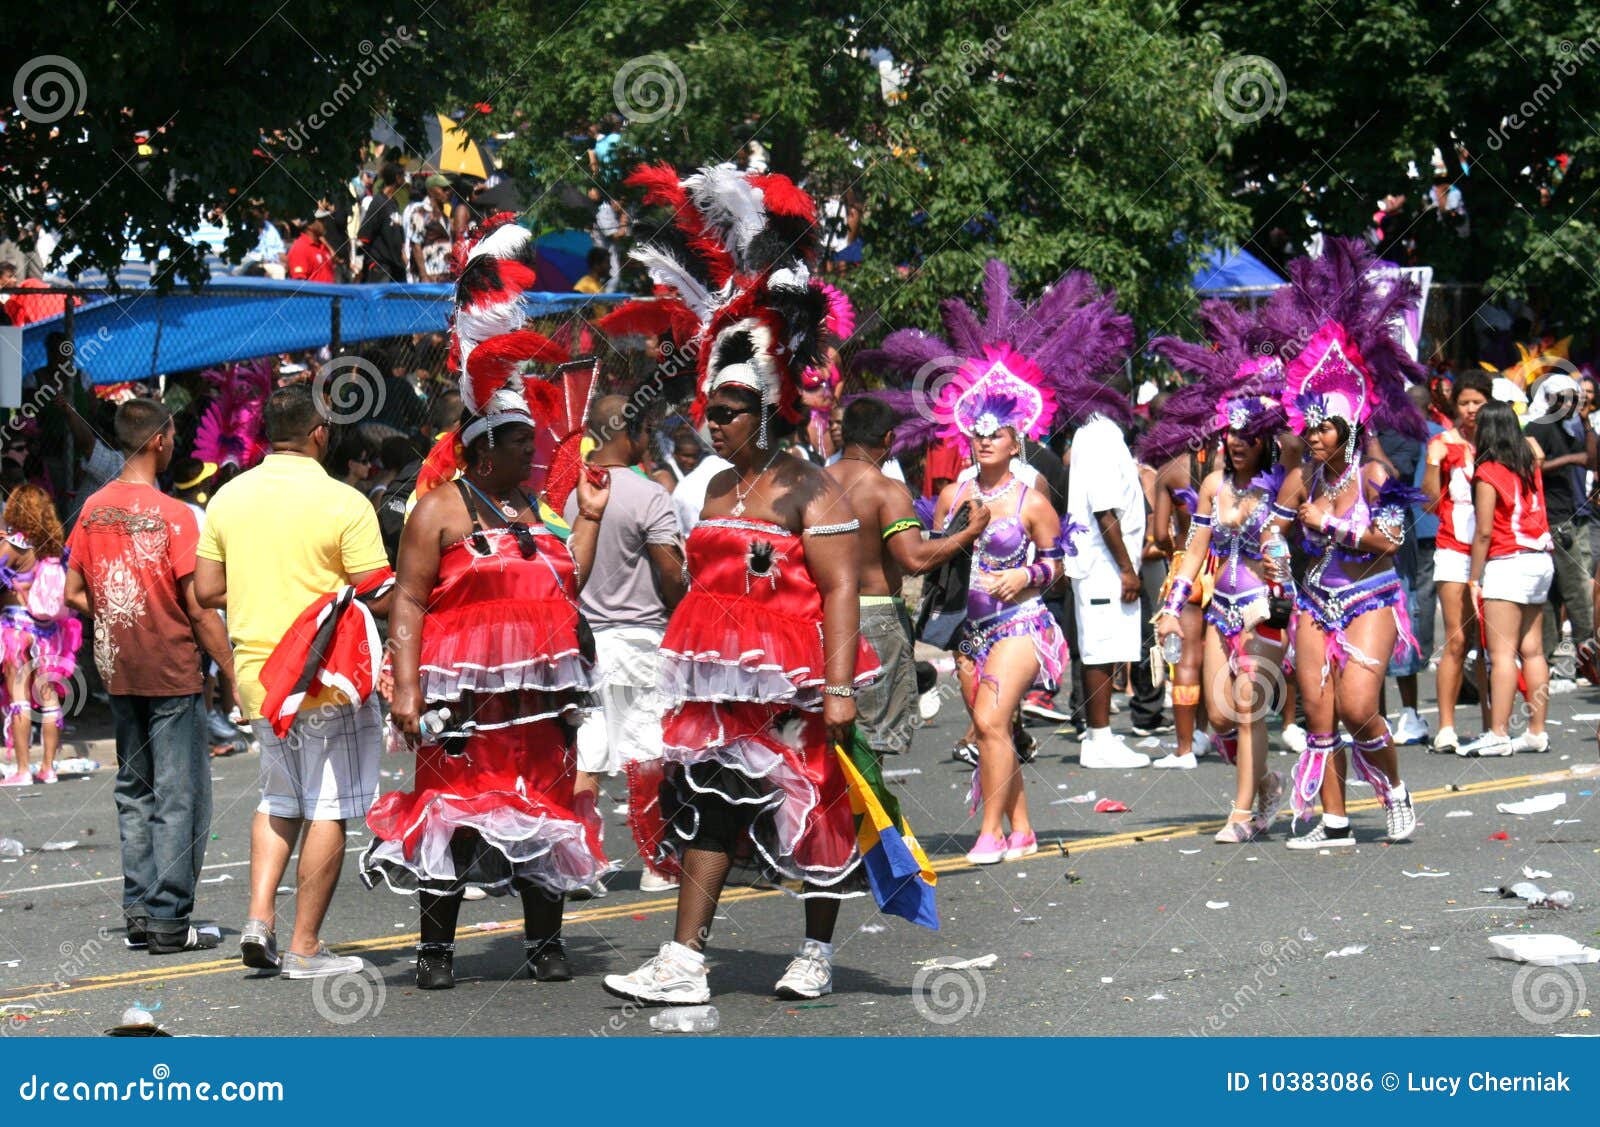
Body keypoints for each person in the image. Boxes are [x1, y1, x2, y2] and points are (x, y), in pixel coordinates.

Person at [604, 162, 872, 1004]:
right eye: (707, 410)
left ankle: (817, 953)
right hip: (718, 688)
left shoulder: (811, 488)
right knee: (711, 809)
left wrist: (835, 689)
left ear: (767, 407)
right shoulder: (712, 488)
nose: (709, 422)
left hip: (793, 685)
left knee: (815, 808)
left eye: (726, 411)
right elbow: (693, 580)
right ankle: (685, 963)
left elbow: (839, 591)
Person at [363, 269, 614, 986]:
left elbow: (570, 583)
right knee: (454, 809)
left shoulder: (541, 508)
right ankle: (436, 951)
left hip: (538, 696)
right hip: (460, 699)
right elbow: (408, 601)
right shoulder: (439, 508)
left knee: (540, 807)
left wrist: (588, 520)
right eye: (519, 441)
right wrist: (405, 690)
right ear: (485, 446)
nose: (531, 452)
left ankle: (545, 944)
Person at [193, 383, 393, 979]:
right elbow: (377, 590)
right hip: (326, 677)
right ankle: (304, 947)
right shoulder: (343, 501)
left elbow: (205, 592)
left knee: (279, 799)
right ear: (320, 432)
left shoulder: (228, 497)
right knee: (328, 806)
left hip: (259, 676)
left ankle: (260, 921)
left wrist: (260, 587)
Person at [1266, 237, 1427, 850]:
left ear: (1350, 427)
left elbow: (1389, 540)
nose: (1314, 434)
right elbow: (1270, 533)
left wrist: (1327, 525)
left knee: (1360, 707)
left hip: (1370, 599)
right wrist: (1276, 562)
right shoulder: (1300, 476)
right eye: (1310, 424)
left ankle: (1394, 791)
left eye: (1326, 425)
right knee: (1320, 714)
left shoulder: (1373, 476)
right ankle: (1333, 822)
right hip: (1315, 602)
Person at [63, 399, 236, 953]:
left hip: (119, 669)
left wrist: (119, 612)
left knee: (133, 791)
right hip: (171, 669)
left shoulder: (91, 509)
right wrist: (231, 669)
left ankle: (140, 911)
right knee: (181, 796)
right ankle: (168, 921)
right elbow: (200, 607)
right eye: (174, 432)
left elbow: (72, 593)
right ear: (160, 440)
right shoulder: (176, 515)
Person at [565, 395, 687, 895]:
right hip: (640, 638)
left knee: (586, 755)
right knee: (645, 753)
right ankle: (657, 864)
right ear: (632, 433)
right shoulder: (649, 495)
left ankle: (579, 863)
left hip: (584, 642)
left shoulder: (569, 494)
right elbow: (672, 576)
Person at [826, 396, 989, 762]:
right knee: (872, 737)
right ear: (888, 439)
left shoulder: (817, 484)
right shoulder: (885, 489)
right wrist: (969, 533)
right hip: (876, 618)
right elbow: (914, 559)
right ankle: (867, 816)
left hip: (822, 616)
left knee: (832, 732)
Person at [1157, 392, 1289, 839]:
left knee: (1248, 708)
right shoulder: (1213, 485)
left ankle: (1241, 814)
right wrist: (1171, 609)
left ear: (1264, 440)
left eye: (1249, 434)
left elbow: (1289, 544)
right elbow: (1194, 551)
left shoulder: (1280, 485)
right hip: (1220, 608)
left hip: (1262, 609)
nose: (1237, 441)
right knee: (1218, 717)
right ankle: (1267, 781)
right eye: (1232, 432)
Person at [1459, 401, 1554, 757]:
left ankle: (1498, 733)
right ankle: (1535, 731)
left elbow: (1483, 533)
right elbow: (1537, 449)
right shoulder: (1530, 464)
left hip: (1507, 560)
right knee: (1533, 650)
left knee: (1501, 654)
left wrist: (1472, 578)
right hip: (1539, 559)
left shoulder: (1487, 472)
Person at [1422, 371, 1493, 753]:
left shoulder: (1498, 441)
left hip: (1495, 549)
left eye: (1477, 403)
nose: (1470, 410)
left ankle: (1490, 725)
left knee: (1488, 643)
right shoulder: (1442, 443)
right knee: (1457, 638)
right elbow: (1430, 502)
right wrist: (1433, 465)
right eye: (1464, 403)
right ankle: (1446, 727)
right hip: (1453, 547)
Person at [0, 485, 80, 786]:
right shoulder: (51, 547)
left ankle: (22, 770)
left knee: (19, 699)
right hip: (48, 633)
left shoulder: (12, 546)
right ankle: (48, 768)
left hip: (16, 630)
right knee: (49, 701)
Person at [1522, 374, 1594, 674]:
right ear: (1550, 400)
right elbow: (1531, 467)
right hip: (1550, 516)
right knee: (1572, 588)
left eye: (1575, 398)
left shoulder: (1570, 428)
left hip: (1569, 512)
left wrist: (1587, 422)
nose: (1571, 404)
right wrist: (1569, 460)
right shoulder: (1538, 427)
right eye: (1564, 398)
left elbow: (1591, 458)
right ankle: (1586, 654)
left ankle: (1562, 655)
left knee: (1561, 588)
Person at [358, 164, 407, 283]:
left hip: (396, 266)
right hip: (380, 267)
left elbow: (396, 234)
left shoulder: (394, 203)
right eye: (402, 176)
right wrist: (370, 263)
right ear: (397, 177)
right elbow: (365, 234)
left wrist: (402, 253)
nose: (405, 180)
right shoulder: (378, 202)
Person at [404, 174, 453, 283]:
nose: (448, 192)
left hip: (444, 275)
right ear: (431, 191)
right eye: (443, 189)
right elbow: (416, 246)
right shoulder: (421, 213)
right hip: (429, 276)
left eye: (448, 189)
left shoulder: (444, 215)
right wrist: (423, 275)